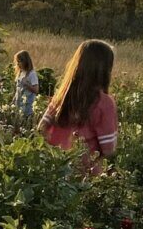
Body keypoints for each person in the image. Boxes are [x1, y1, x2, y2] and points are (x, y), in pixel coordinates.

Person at [38, 39, 117, 172]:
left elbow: (41, 128)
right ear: (105, 70)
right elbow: (108, 150)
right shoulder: (104, 103)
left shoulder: (62, 96)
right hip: (84, 174)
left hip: (53, 168)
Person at [13, 50, 40, 119]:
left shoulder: (32, 74)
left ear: (25, 61)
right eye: (17, 62)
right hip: (18, 104)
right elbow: (17, 90)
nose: (18, 64)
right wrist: (13, 100)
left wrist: (26, 84)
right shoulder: (20, 72)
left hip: (27, 106)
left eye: (20, 61)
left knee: (25, 121)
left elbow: (36, 90)